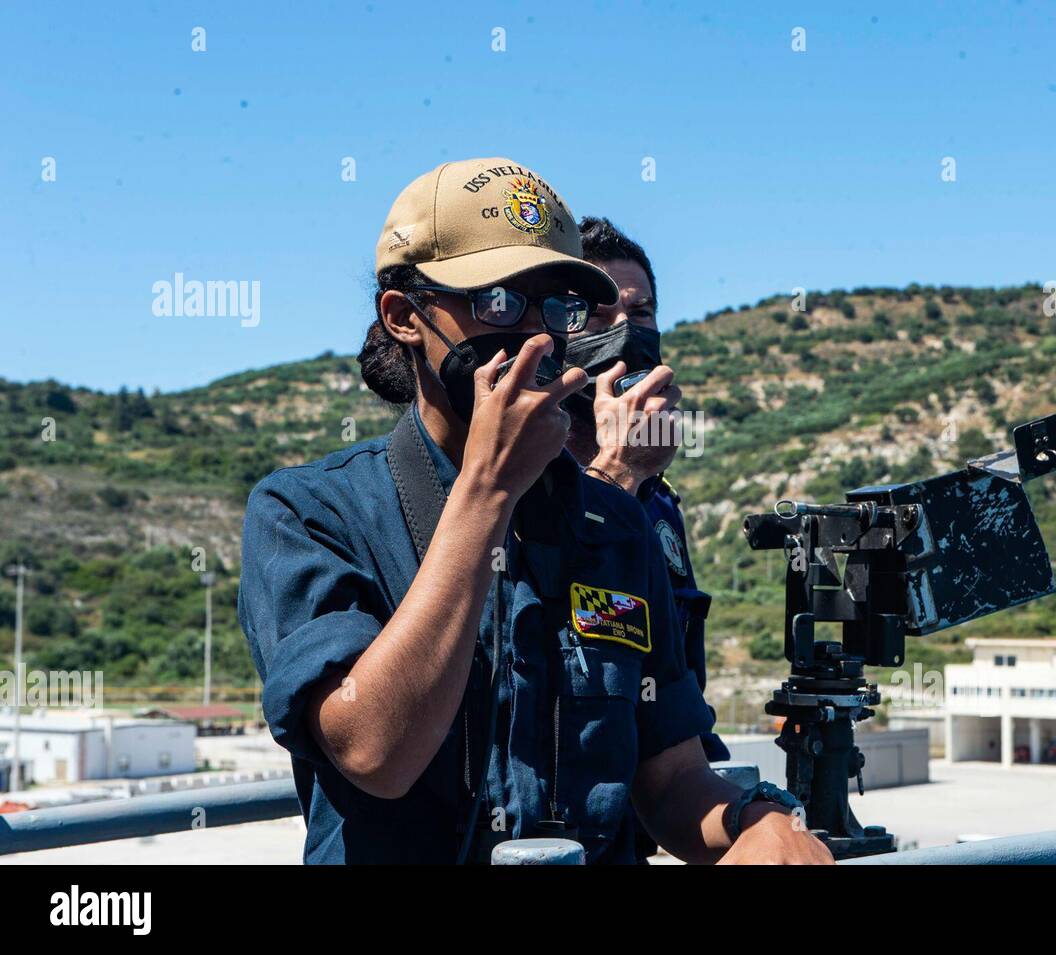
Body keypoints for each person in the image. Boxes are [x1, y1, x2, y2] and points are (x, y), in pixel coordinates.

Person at [237, 157, 830, 865]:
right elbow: (373, 752)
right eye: (497, 301)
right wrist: (487, 490)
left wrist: (754, 819)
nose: (535, 337)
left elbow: (671, 777)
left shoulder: (615, 524)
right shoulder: (309, 512)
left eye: (555, 308)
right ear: (403, 317)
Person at [563, 217, 727, 765]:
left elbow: (676, 678)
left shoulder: (658, 502)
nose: (625, 333)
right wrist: (619, 470)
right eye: (595, 317)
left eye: (640, 314)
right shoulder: (514, 490)